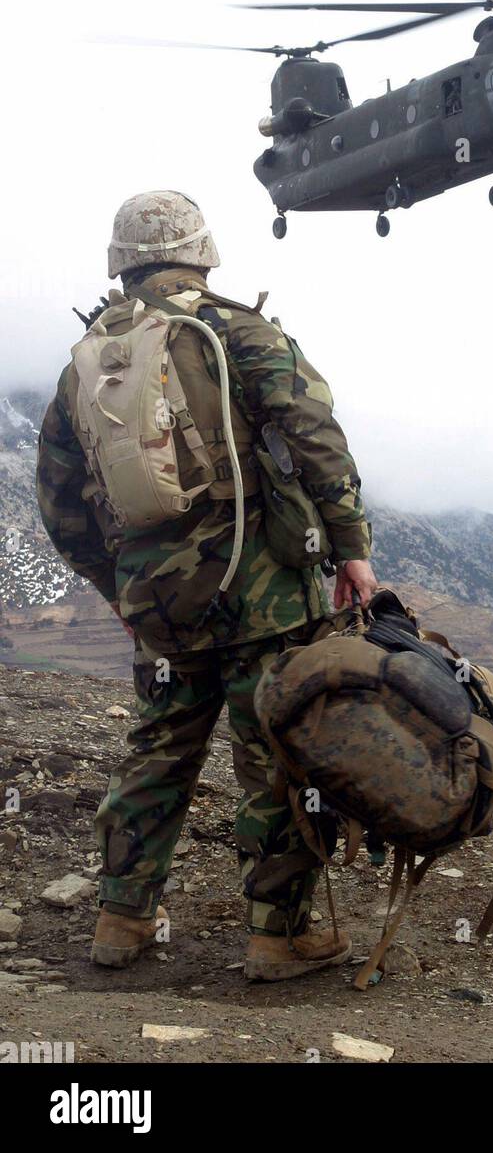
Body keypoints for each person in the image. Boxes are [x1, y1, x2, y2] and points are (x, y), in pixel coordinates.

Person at [36, 190, 376, 981]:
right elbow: (317, 440)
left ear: (123, 263)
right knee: (275, 757)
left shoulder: (86, 362)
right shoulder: (240, 332)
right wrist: (352, 550)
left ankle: (122, 920)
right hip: (264, 594)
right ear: (202, 252)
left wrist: (118, 588)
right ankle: (276, 935)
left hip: (156, 602)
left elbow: (59, 503)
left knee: (159, 750)